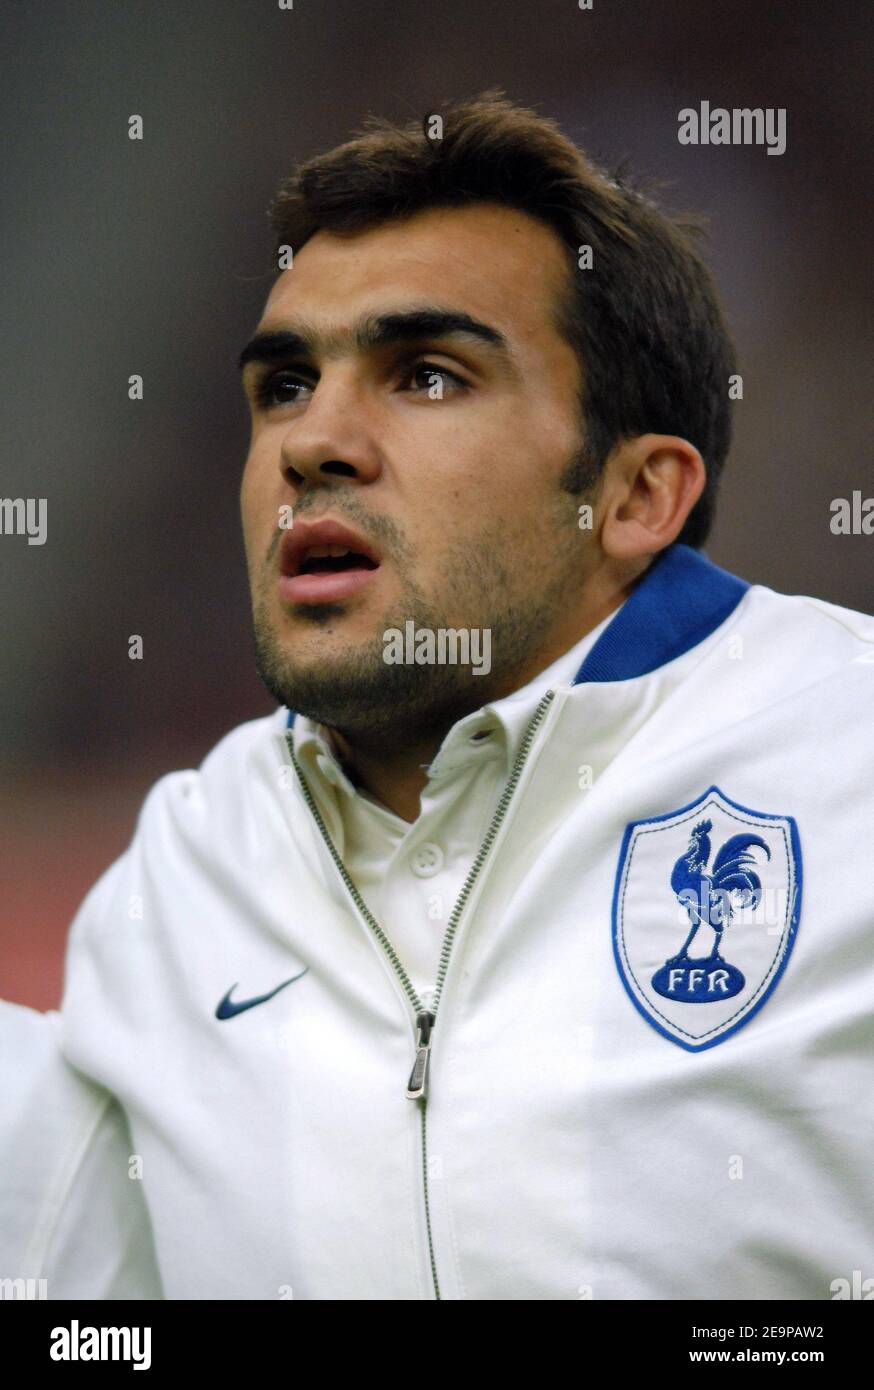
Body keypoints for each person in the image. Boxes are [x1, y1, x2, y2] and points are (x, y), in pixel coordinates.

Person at [2, 92, 872, 1301]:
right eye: (285, 386)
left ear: (632, 498)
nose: (315, 442)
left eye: (424, 374)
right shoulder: (177, 879)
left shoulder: (849, 748)